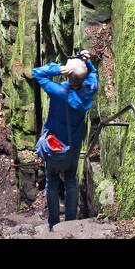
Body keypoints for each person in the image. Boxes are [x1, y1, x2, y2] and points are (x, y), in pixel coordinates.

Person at [28, 51, 97, 229]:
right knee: (71, 180)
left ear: (67, 74)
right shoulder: (89, 89)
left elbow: (36, 73)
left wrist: (58, 69)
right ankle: (71, 224)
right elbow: (93, 74)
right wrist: (87, 63)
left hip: (54, 145)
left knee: (51, 182)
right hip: (73, 146)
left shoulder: (58, 91)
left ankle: (53, 224)